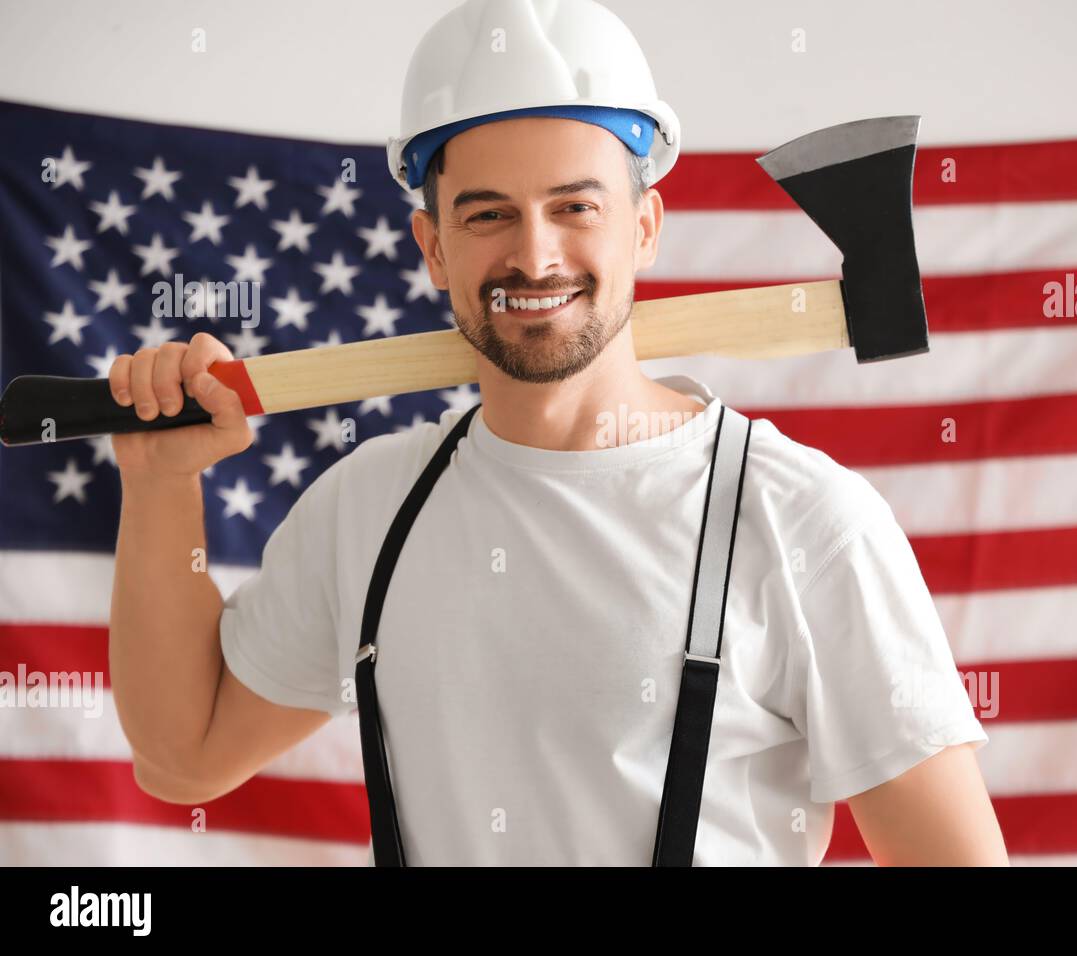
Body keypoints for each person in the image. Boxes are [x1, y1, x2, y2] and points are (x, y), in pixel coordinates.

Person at [108, 0, 1007, 866]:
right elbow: (184, 756)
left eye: (575, 206)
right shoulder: (368, 507)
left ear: (644, 226)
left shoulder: (800, 519)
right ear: (433, 247)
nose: (534, 257)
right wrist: (158, 483)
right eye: (488, 213)